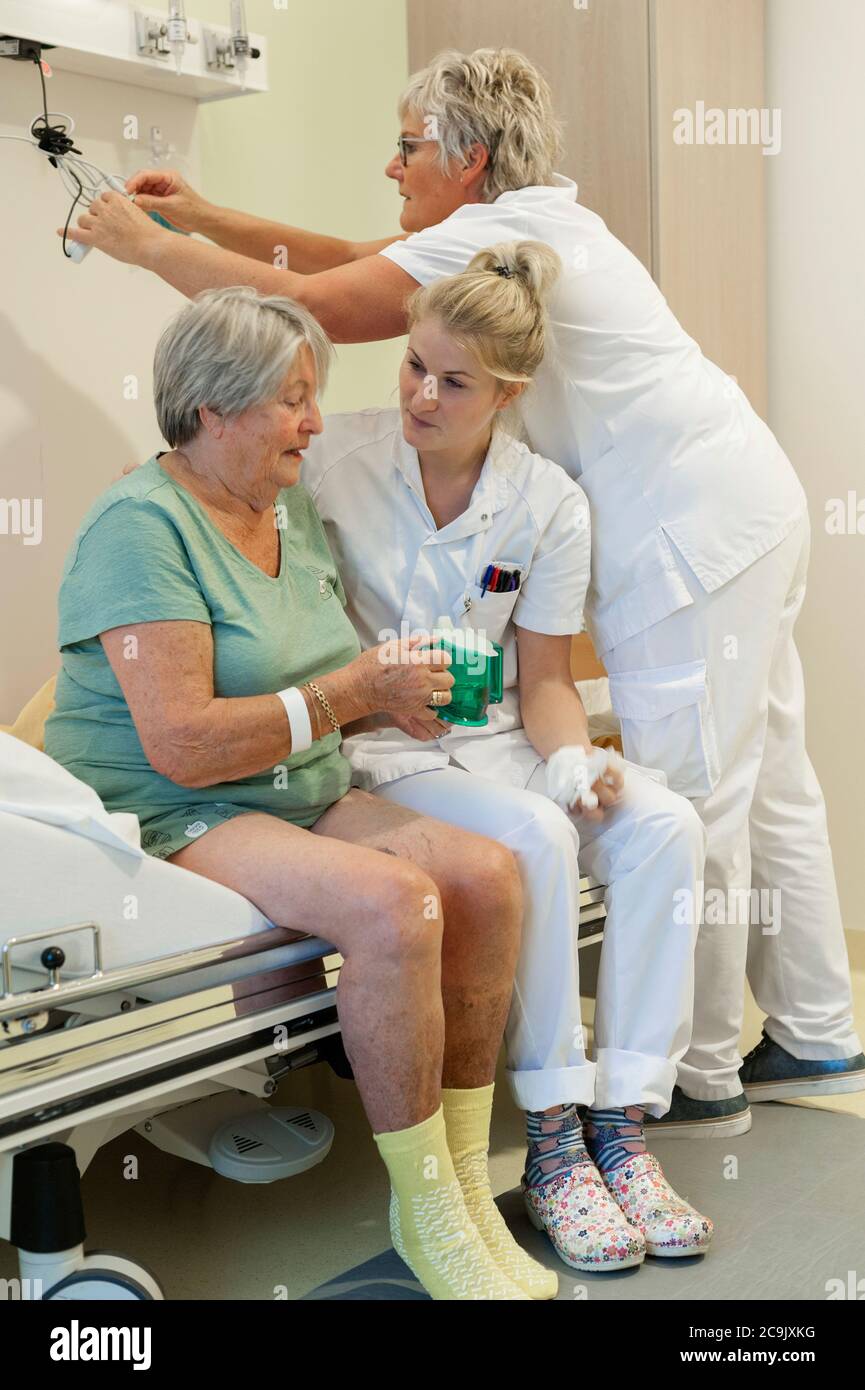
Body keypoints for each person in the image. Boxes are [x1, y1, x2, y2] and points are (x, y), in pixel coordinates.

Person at [66, 46, 864, 1135]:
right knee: (770, 779)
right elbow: (347, 262)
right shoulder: (516, 236)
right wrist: (205, 217)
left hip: (686, 533)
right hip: (745, 497)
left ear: (466, 157)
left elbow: (325, 300)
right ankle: (818, 1028)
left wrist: (146, 246)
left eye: (405, 147)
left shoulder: (502, 253)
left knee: (694, 796)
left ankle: (698, 1069)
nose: (391, 168)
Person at [43, 286, 556, 1302]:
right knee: (394, 903)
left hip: (294, 789)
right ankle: (423, 1214)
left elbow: (309, 687)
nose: (315, 423)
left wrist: (387, 699)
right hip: (174, 809)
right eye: (293, 400)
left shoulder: (287, 511)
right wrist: (350, 692)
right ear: (211, 410)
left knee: (488, 877)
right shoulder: (139, 528)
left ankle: (458, 1183)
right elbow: (185, 745)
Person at [302, 240, 713, 1268]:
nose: (421, 395)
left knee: (665, 826)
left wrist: (575, 763)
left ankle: (620, 1129)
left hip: (504, 746)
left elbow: (541, 684)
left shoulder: (547, 502)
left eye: (454, 381)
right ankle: (550, 1142)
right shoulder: (332, 467)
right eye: (412, 365)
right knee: (531, 835)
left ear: (508, 392)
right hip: (387, 757)